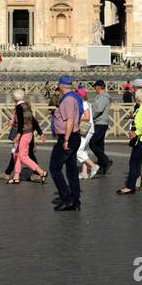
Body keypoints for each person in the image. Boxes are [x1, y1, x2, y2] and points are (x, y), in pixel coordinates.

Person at [48, 76, 83, 211]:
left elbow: (70, 121)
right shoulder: (74, 97)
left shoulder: (67, 100)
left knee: (54, 168)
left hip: (67, 138)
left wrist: (66, 139)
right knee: (71, 170)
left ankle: (67, 198)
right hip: (73, 137)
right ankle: (75, 201)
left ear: (62, 85)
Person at [7, 89, 47, 184]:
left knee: (23, 156)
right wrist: (40, 133)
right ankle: (16, 177)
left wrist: (18, 135)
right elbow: (33, 120)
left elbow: (21, 123)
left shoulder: (19, 107)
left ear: (14, 98)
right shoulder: (26, 106)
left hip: (23, 134)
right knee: (15, 153)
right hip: (28, 133)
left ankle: (41, 172)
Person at [89, 80, 114, 176]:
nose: (94, 88)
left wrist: (90, 116)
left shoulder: (103, 97)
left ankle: (105, 160)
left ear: (99, 87)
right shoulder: (102, 97)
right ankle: (102, 166)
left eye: (95, 87)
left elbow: (98, 109)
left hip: (100, 123)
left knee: (93, 143)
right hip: (101, 122)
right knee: (99, 145)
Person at [76, 89, 100, 179]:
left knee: (78, 151)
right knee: (83, 150)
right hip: (87, 128)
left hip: (85, 128)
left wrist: (76, 117)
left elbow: (86, 117)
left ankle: (93, 166)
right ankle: (84, 172)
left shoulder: (84, 103)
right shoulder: (86, 103)